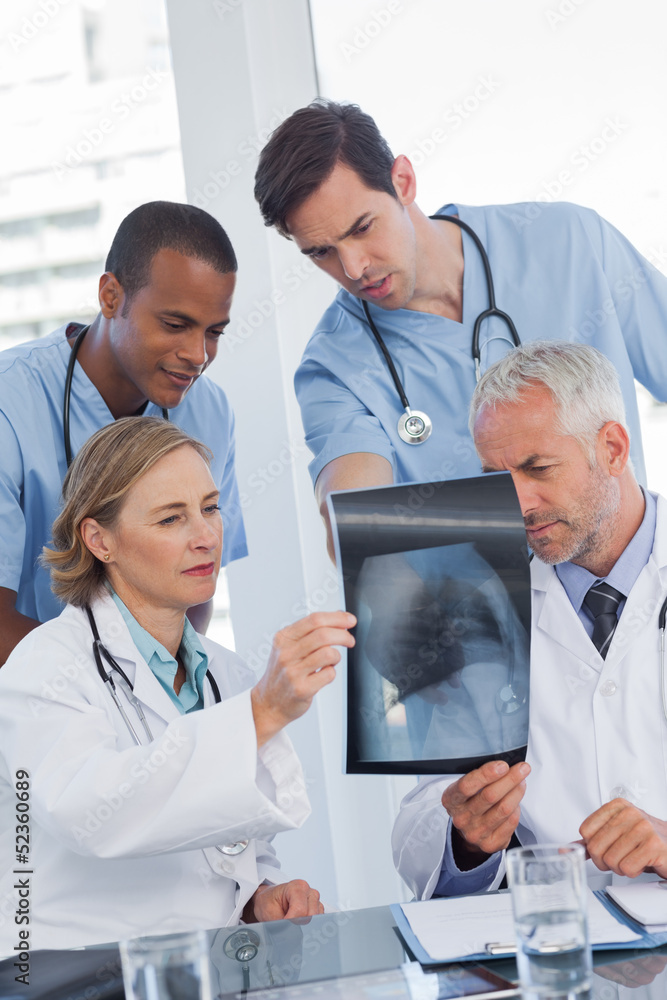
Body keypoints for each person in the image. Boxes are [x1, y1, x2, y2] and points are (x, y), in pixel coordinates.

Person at [0, 417, 356, 951]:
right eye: (171, 519)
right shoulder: (46, 665)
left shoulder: (227, 672)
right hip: (67, 974)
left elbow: (233, 848)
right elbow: (87, 815)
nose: (206, 536)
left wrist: (256, 897)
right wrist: (259, 715)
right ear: (99, 539)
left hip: (202, 968)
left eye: (210, 508)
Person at [254, 100, 667, 555]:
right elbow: (356, 528)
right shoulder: (335, 365)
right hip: (488, 620)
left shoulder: (569, 241)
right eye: (320, 252)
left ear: (403, 182)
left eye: (362, 228)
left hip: (634, 592)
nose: (353, 267)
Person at [392, 341, 667, 899]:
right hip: (553, 946)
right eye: (495, 476)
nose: (515, 503)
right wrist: (467, 842)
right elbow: (424, 815)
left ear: (612, 448)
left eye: (538, 468)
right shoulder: (461, 609)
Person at [0, 201, 247, 664]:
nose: (198, 355)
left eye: (214, 332)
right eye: (175, 325)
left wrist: (162, 691)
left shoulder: (209, 411)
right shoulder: (9, 402)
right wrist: (113, 689)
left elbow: (193, 590)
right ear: (111, 296)